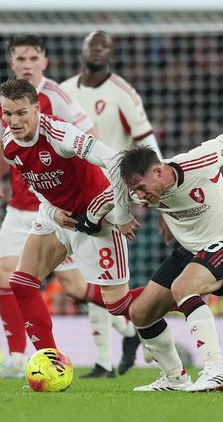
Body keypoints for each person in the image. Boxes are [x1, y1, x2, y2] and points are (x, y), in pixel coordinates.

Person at [0, 35, 136, 379]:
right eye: (20, 58)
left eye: (32, 57)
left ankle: (147, 315)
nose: (13, 120)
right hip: (39, 209)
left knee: (85, 291)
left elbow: (98, 145)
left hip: (82, 209)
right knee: (13, 278)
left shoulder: (58, 106)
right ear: (11, 62)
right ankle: (28, 361)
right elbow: (13, 156)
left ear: (44, 61)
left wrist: (109, 205)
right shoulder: (7, 125)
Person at [117, 119, 223, 392]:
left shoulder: (199, 162)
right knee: (140, 313)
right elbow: (112, 198)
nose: (139, 195)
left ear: (158, 171)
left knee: (183, 287)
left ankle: (216, 369)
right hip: (191, 251)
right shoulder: (142, 193)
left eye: (141, 187)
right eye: (134, 190)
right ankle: (175, 379)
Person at [60, 30, 162, 378]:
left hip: (110, 195)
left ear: (112, 53)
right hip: (72, 193)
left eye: (105, 45)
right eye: (93, 44)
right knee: (87, 278)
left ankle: (112, 353)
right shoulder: (64, 91)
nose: (98, 50)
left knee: (99, 275)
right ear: (82, 48)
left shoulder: (123, 94)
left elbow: (148, 143)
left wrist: (157, 189)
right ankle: (124, 339)